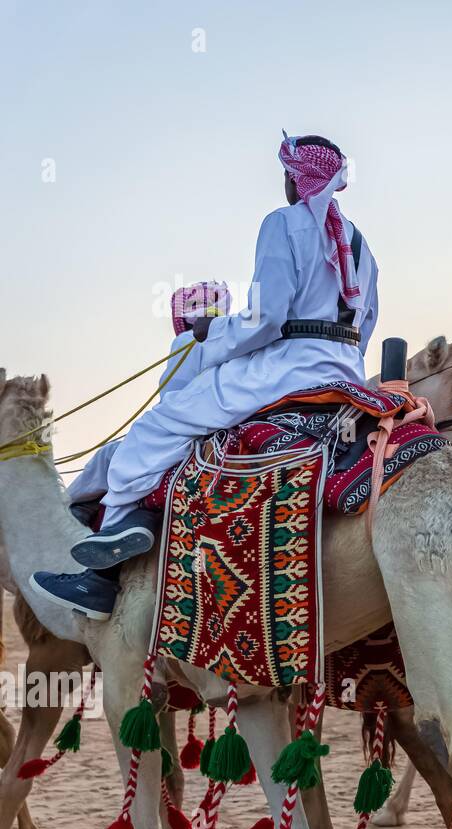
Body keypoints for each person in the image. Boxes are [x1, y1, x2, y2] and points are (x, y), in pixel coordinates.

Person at [32, 133, 379, 620]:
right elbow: (366, 324)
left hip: (289, 369)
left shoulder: (283, 223)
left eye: (285, 172)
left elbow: (265, 319)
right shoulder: (362, 246)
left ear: (294, 178)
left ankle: (112, 549)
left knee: (164, 421)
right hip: (347, 372)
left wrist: (211, 335)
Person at [64, 281, 229, 523]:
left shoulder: (185, 342)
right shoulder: (236, 342)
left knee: (111, 454)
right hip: (228, 420)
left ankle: (76, 510)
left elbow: (172, 396)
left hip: (188, 428)